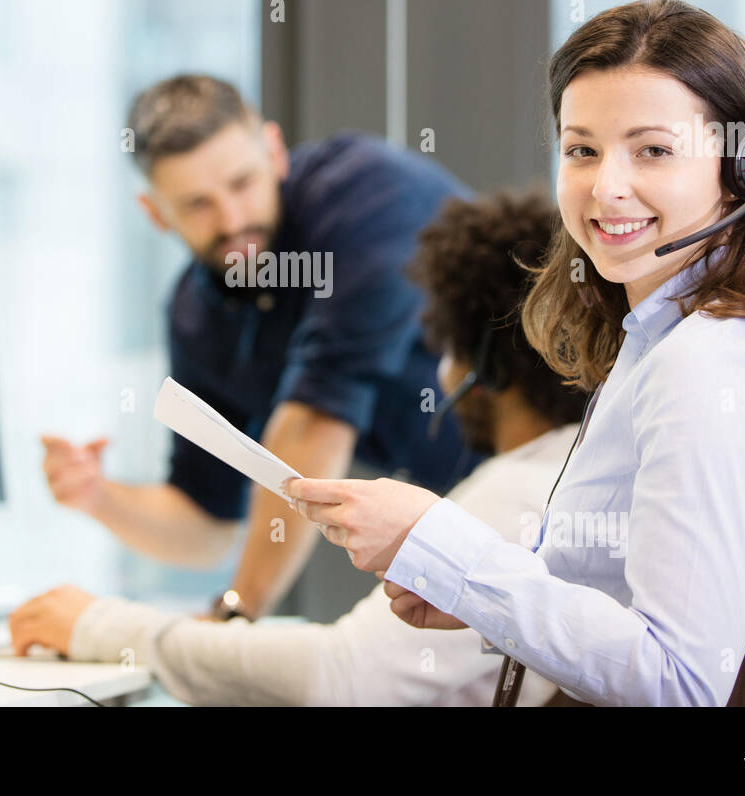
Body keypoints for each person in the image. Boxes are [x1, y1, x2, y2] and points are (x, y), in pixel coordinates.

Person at [285, 0, 745, 706]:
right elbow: (621, 609)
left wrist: (446, 546)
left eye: (653, 149)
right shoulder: (665, 342)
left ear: (742, 172)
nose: (606, 187)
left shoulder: (705, 363)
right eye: (582, 150)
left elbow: (680, 683)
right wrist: (470, 595)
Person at [8, 189, 589, 705]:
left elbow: (341, 678)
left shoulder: (520, 492)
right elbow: (207, 530)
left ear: (480, 364)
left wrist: (102, 626)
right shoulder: (568, 474)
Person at [40, 75, 483, 621]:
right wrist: (100, 498)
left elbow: (316, 423)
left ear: (274, 152)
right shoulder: (195, 317)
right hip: (464, 510)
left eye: (242, 182)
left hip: (563, 459)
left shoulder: (366, 193)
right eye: (198, 204)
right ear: (156, 213)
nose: (231, 221)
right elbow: (205, 524)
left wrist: (238, 610)